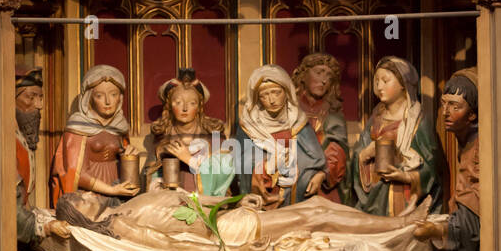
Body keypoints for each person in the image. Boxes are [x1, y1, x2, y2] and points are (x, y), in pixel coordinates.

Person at [351, 56, 445, 217]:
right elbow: (359, 155)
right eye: (377, 81)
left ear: (403, 84)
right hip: (372, 195)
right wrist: (364, 155)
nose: (379, 86)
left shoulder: (417, 121)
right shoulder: (376, 117)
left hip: (402, 197)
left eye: (385, 81)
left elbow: (431, 168)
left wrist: (405, 176)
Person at [50, 64, 141, 207]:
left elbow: (125, 166)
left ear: (120, 97)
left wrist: (130, 156)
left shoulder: (119, 126)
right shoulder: (78, 127)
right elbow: (75, 174)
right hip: (88, 196)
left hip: (117, 189)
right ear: (89, 98)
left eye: (113, 94)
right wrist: (111, 190)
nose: (107, 101)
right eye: (99, 95)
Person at [236, 64, 327, 206]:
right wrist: (265, 167)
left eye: (276, 92)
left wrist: (318, 174)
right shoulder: (249, 125)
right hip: (264, 192)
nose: (271, 100)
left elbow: (315, 158)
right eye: (264, 95)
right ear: (257, 98)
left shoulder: (298, 121)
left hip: (297, 196)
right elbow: (242, 160)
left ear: (287, 92)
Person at [413, 68, 480, 251]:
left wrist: (438, 229)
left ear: (472, 115)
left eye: (455, 106)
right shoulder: (467, 142)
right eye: (444, 105)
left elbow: (475, 210)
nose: (445, 113)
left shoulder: (479, 149)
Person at [144, 68, 234, 196]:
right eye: (178, 102)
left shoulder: (213, 136)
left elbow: (224, 173)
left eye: (192, 103)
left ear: (199, 106)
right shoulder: (163, 136)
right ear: (169, 105)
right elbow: (151, 174)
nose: (185, 108)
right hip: (171, 200)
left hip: (205, 201)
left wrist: (189, 160)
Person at [15, 65, 71, 249]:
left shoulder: (21, 139)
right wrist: (44, 226)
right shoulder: (4, 145)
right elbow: (7, 209)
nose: (40, 105)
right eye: (31, 97)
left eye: (41, 98)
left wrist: (42, 214)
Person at [291, 53, 349, 202]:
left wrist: (323, 173)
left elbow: (338, 149)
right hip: (289, 179)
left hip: (320, 183)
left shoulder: (332, 115)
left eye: (329, 77)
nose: (324, 80)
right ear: (303, 76)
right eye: (318, 73)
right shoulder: (289, 109)